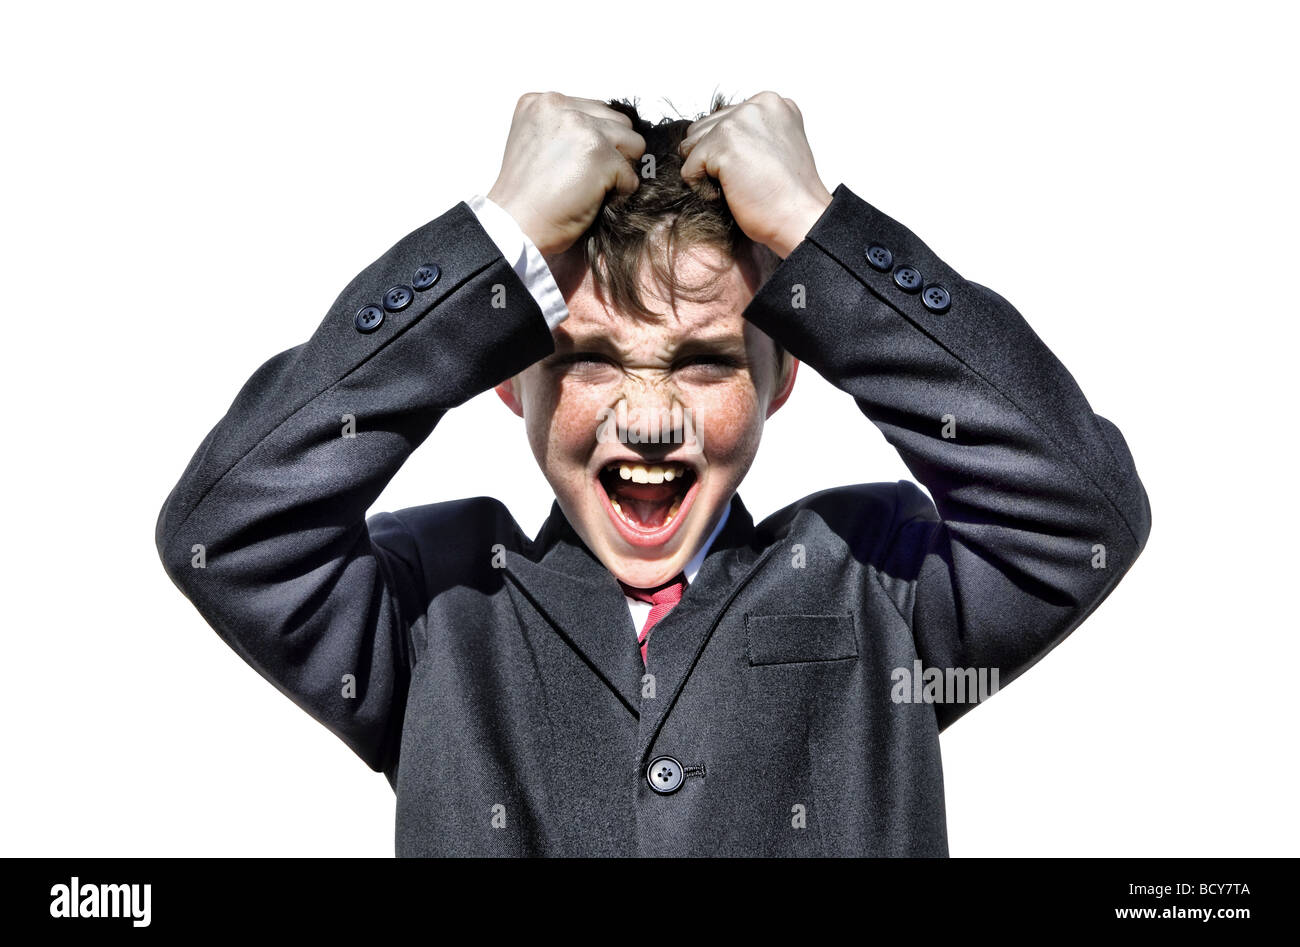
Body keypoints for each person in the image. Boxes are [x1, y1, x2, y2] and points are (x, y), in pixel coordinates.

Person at [156, 91, 1151, 856]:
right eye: (587, 358)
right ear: (505, 374)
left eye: (705, 361)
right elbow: (231, 528)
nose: (649, 418)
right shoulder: (436, 611)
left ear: (782, 374)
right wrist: (494, 242)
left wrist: (818, 233)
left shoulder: (874, 582)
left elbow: (1078, 509)